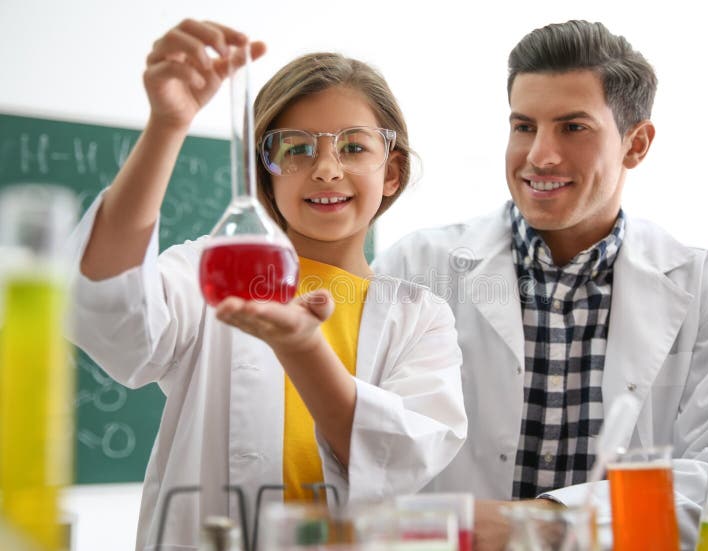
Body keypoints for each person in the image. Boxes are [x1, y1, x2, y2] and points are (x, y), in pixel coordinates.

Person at [372, 19, 708, 550]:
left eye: (573, 127)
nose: (539, 155)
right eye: (524, 126)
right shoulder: (415, 267)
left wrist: (546, 522)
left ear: (636, 144)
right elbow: (358, 457)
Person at [68, 19, 467, 550]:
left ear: (390, 172)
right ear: (265, 173)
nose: (325, 169)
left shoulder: (420, 317)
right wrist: (168, 123)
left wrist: (302, 347)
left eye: (353, 147)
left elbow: (397, 458)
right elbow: (110, 305)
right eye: (296, 149)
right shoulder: (215, 272)